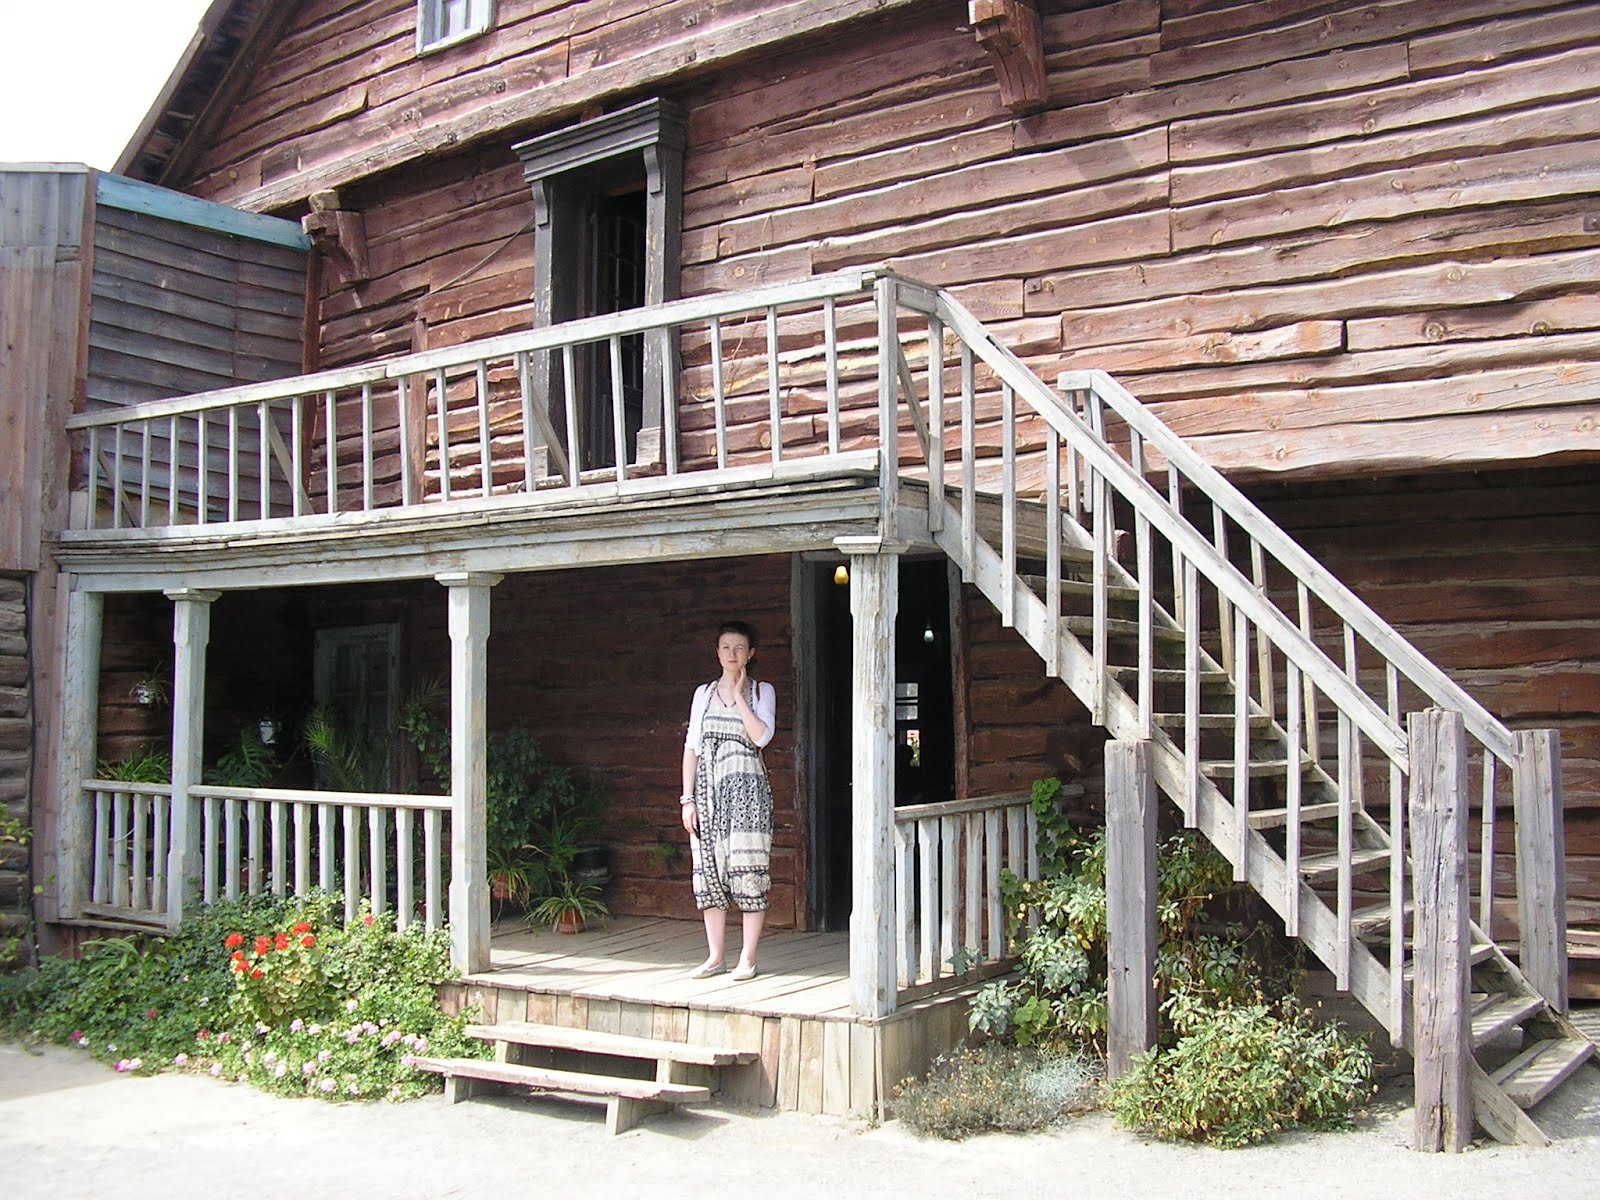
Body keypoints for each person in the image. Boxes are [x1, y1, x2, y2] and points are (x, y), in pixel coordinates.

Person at [680, 620, 776, 981]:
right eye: (725, 648)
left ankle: (747, 958)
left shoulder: (762, 691)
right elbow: (692, 747)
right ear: (717, 652)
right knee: (709, 872)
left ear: (750, 653)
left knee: (748, 870)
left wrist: (738, 697)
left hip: (748, 796)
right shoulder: (702, 694)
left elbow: (761, 737)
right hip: (708, 793)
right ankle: (715, 955)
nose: (732, 654)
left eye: (739, 648)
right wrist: (687, 798)